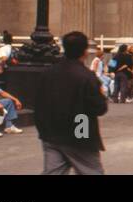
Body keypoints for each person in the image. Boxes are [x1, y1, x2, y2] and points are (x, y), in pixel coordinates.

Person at [33, 30, 107, 174]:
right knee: (91, 170)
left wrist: (43, 129)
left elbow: (38, 103)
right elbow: (99, 108)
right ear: (85, 51)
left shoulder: (48, 73)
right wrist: (101, 96)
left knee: (53, 172)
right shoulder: (87, 76)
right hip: (80, 130)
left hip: (51, 131)